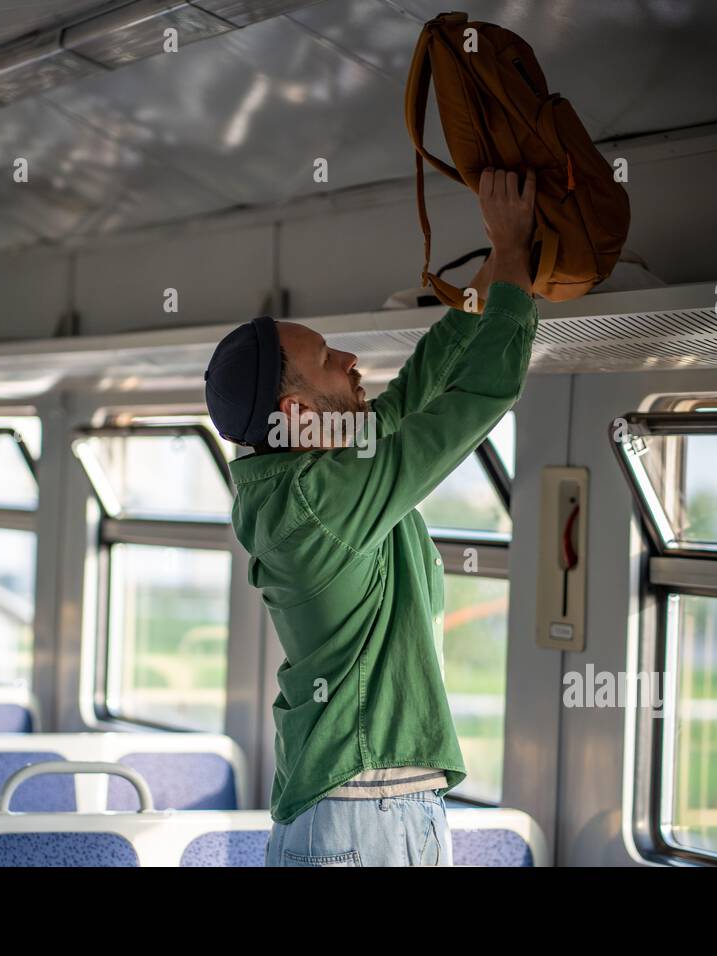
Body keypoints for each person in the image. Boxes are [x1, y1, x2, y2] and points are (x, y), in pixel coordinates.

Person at [203, 168, 539, 866]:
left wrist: (489, 273)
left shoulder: (301, 479)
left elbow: (418, 389)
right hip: (367, 815)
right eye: (328, 360)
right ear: (296, 415)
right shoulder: (322, 498)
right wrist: (512, 263)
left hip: (357, 813)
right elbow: (475, 399)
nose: (353, 360)